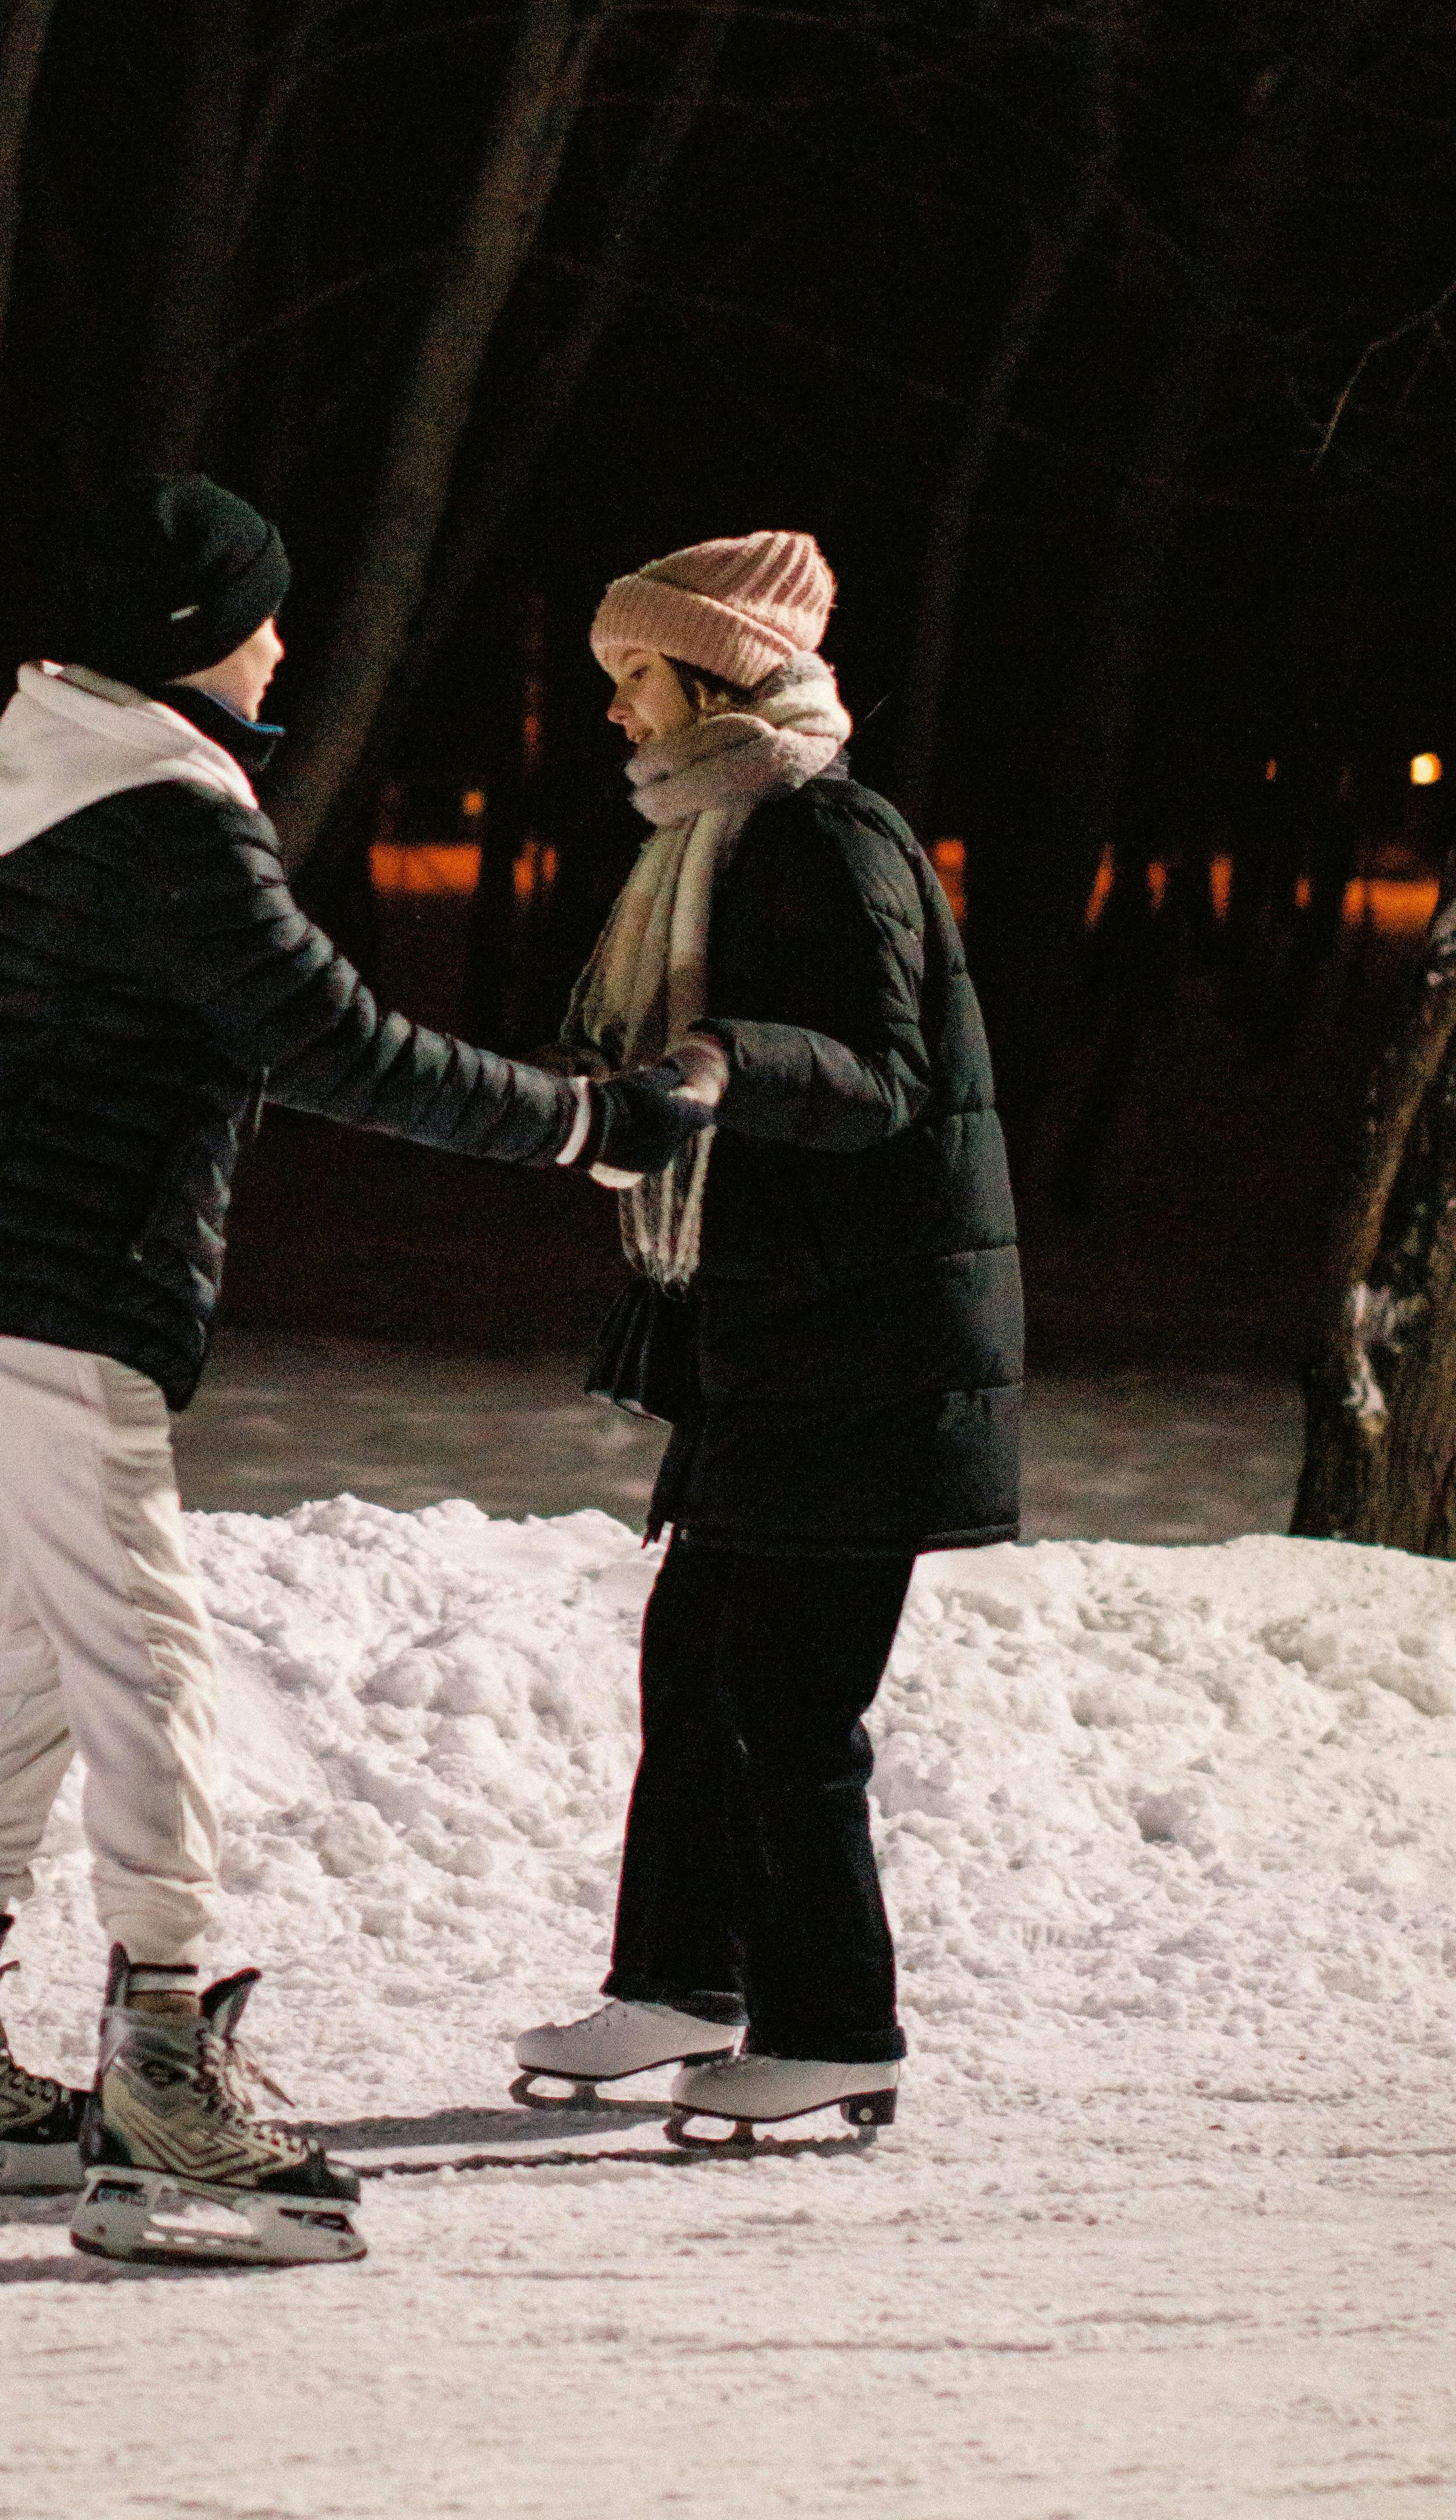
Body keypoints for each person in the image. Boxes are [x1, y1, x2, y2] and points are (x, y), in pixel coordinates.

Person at [0, 474, 712, 2266]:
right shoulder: (162, 817)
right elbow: (336, 1042)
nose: (283, 643)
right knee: (147, 1656)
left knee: (52, 1642)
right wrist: (592, 1125)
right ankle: (165, 2071)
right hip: (48, 1285)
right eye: (259, 616)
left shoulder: (71, 763)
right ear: (187, 641)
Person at [513, 530, 1021, 2139]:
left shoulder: (830, 834)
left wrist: (726, 1059)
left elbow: (884, 1081)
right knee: (697, 1670)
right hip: (779, 1338)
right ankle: (684, 1982)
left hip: (872, 1346)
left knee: (789, 1700)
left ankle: (838, 2028)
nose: (615, 712)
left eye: (635, 677)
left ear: (714, 676)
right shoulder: (719, 837)